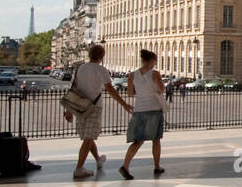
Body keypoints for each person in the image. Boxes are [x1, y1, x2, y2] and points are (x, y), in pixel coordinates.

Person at [64, 44, 132, 180]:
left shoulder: (79, 68)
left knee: (88, 136)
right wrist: (124, 103)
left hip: (80, 105)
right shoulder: (101, 70)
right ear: (102, 56)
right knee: (88, 138)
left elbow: (73, 89)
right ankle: (79, 168)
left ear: (89, 55)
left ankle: (98, 160)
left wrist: (68, 110)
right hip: (94, 107)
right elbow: (111, 90)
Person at [119, 49, 166, 179]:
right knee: (156, 139)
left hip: (139, 109)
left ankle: (125, 165)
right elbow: (162, 89)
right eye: (155, 61)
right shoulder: (155, 73)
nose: (155, 64)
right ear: (151, 60)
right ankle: (157, 166)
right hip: (153, 109)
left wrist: (140, 91)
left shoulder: (132, 75)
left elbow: (129, 93)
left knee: (138, 140)